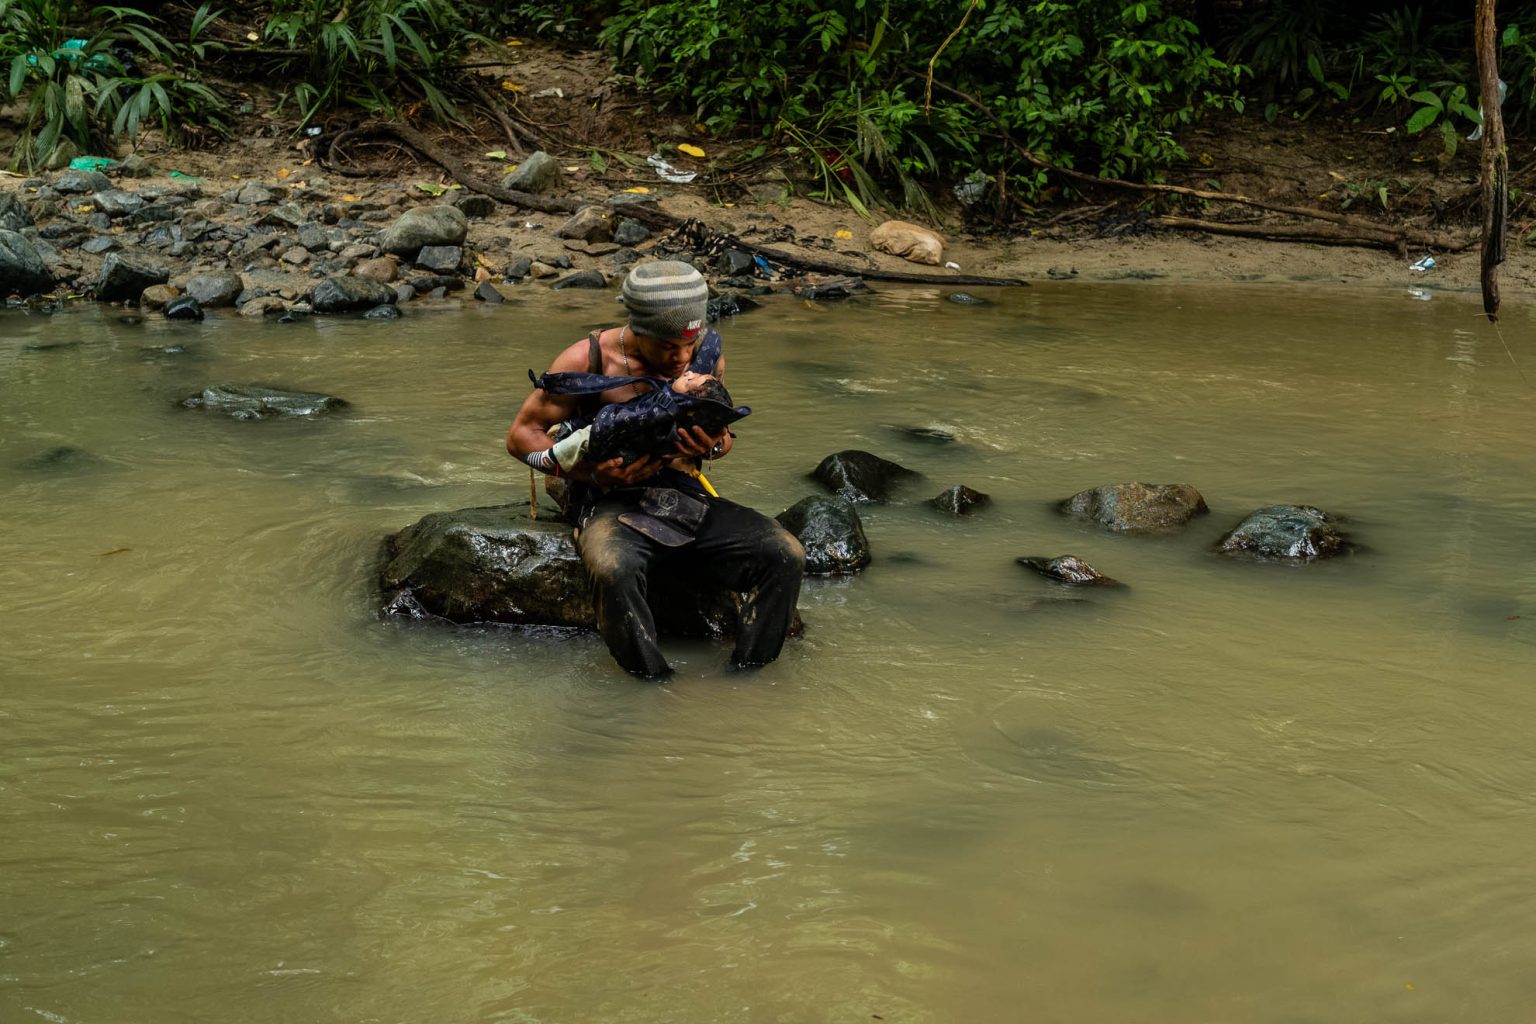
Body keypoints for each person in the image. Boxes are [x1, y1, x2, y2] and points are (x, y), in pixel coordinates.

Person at [505, 260, 805, 679]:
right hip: (609, 499)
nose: (682, 358)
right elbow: (521, 436)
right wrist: (593, 475)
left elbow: (723, 435)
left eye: (689, 343)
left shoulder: (703, 354)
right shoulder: (587, 357)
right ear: (638, 330)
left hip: (683, 493)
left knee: (786, 554)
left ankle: (748, 678)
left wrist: (713, 445)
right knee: (614, 569)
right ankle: (652, 684)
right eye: (667, 346)